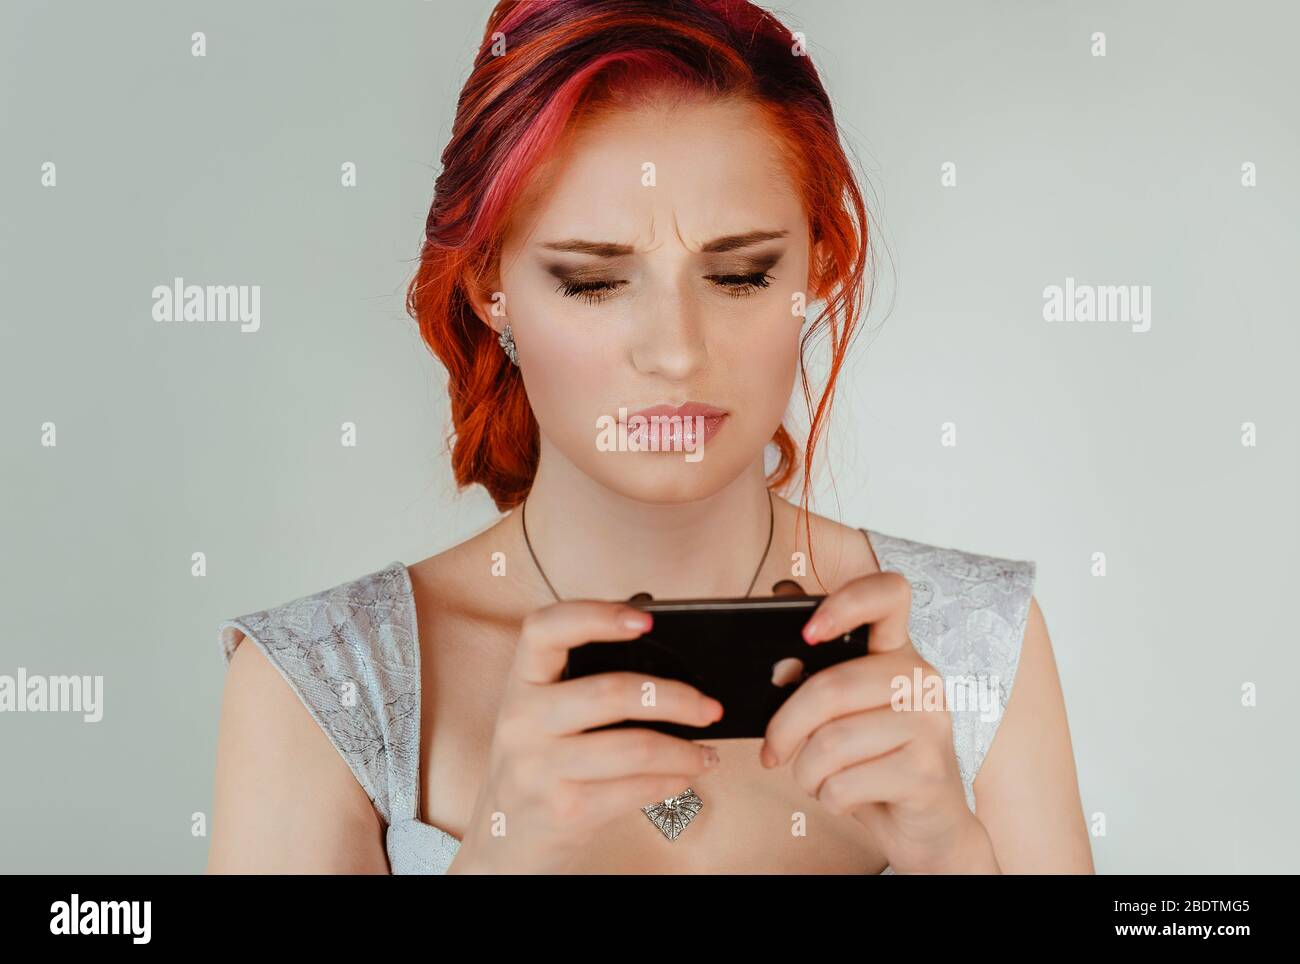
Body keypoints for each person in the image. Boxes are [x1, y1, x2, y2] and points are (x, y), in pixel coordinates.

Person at [207, 0, 1092, 874]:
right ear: (489, 287)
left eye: (741, 274)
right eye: (594, 282)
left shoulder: (973, 644)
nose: (676, 352)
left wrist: (955, 859)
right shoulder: (327, 684)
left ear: (820, 264)